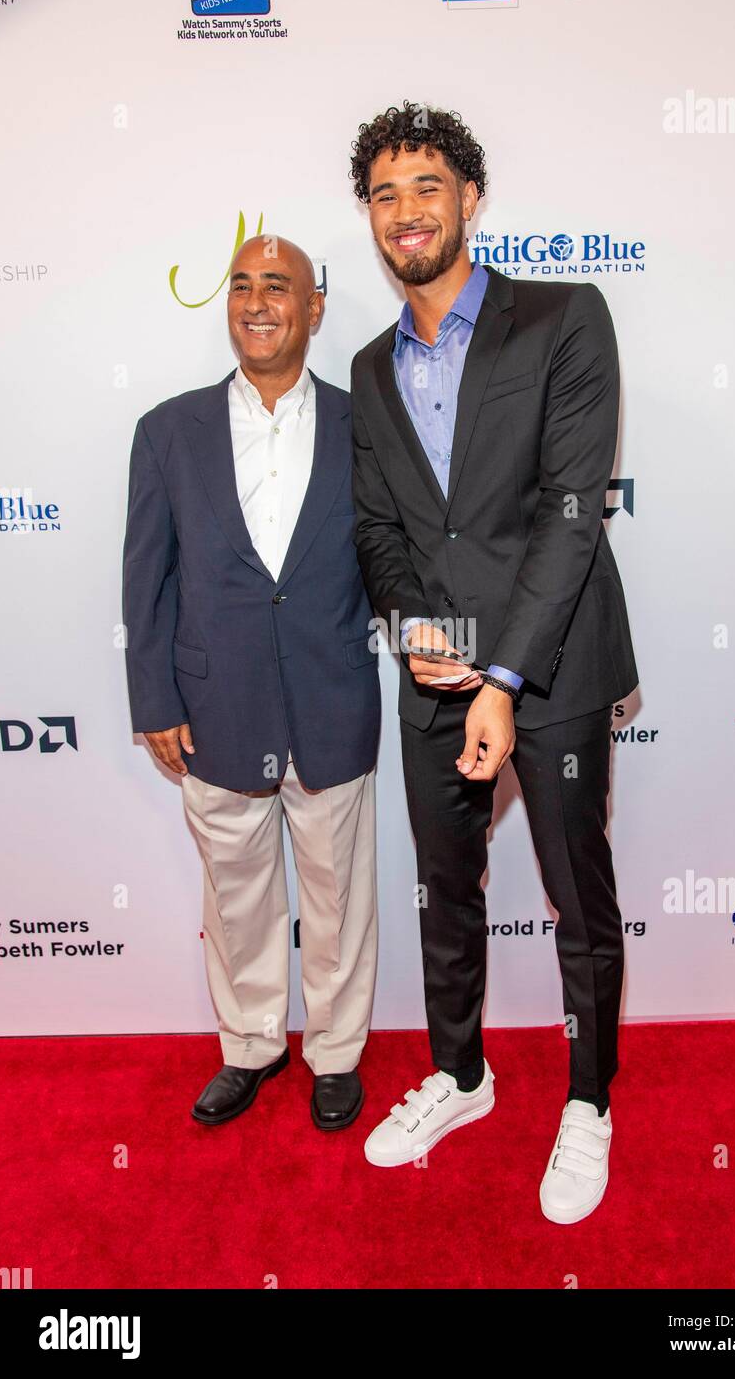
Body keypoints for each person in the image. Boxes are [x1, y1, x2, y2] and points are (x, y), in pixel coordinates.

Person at [348, 103, 638, 1222]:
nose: (407, 210)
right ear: (369, 218)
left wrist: (503, 682)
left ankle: (588, 1098)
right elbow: (381, 527)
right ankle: (461, 1073)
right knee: (442, 891)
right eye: (384, 191)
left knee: (577, 898)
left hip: (551, 657)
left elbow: (570, 515)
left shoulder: (564, 317)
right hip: (435, 667)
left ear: (469, 198)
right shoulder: (372, 367)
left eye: (428, 185)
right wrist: (417, 629)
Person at [122, 235, 380, 1132]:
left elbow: (399, 558)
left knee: (338, 894)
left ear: (314, 307)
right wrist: (152, 697)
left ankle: (338, 1053)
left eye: (280, 285)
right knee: (236, 896)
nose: (258, 301)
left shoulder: (366, 423)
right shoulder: (166, 430)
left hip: (333, 696)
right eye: (242, 285)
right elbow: (146, 577)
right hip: (211, 707)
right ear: (225, 306)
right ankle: (251, 1046)